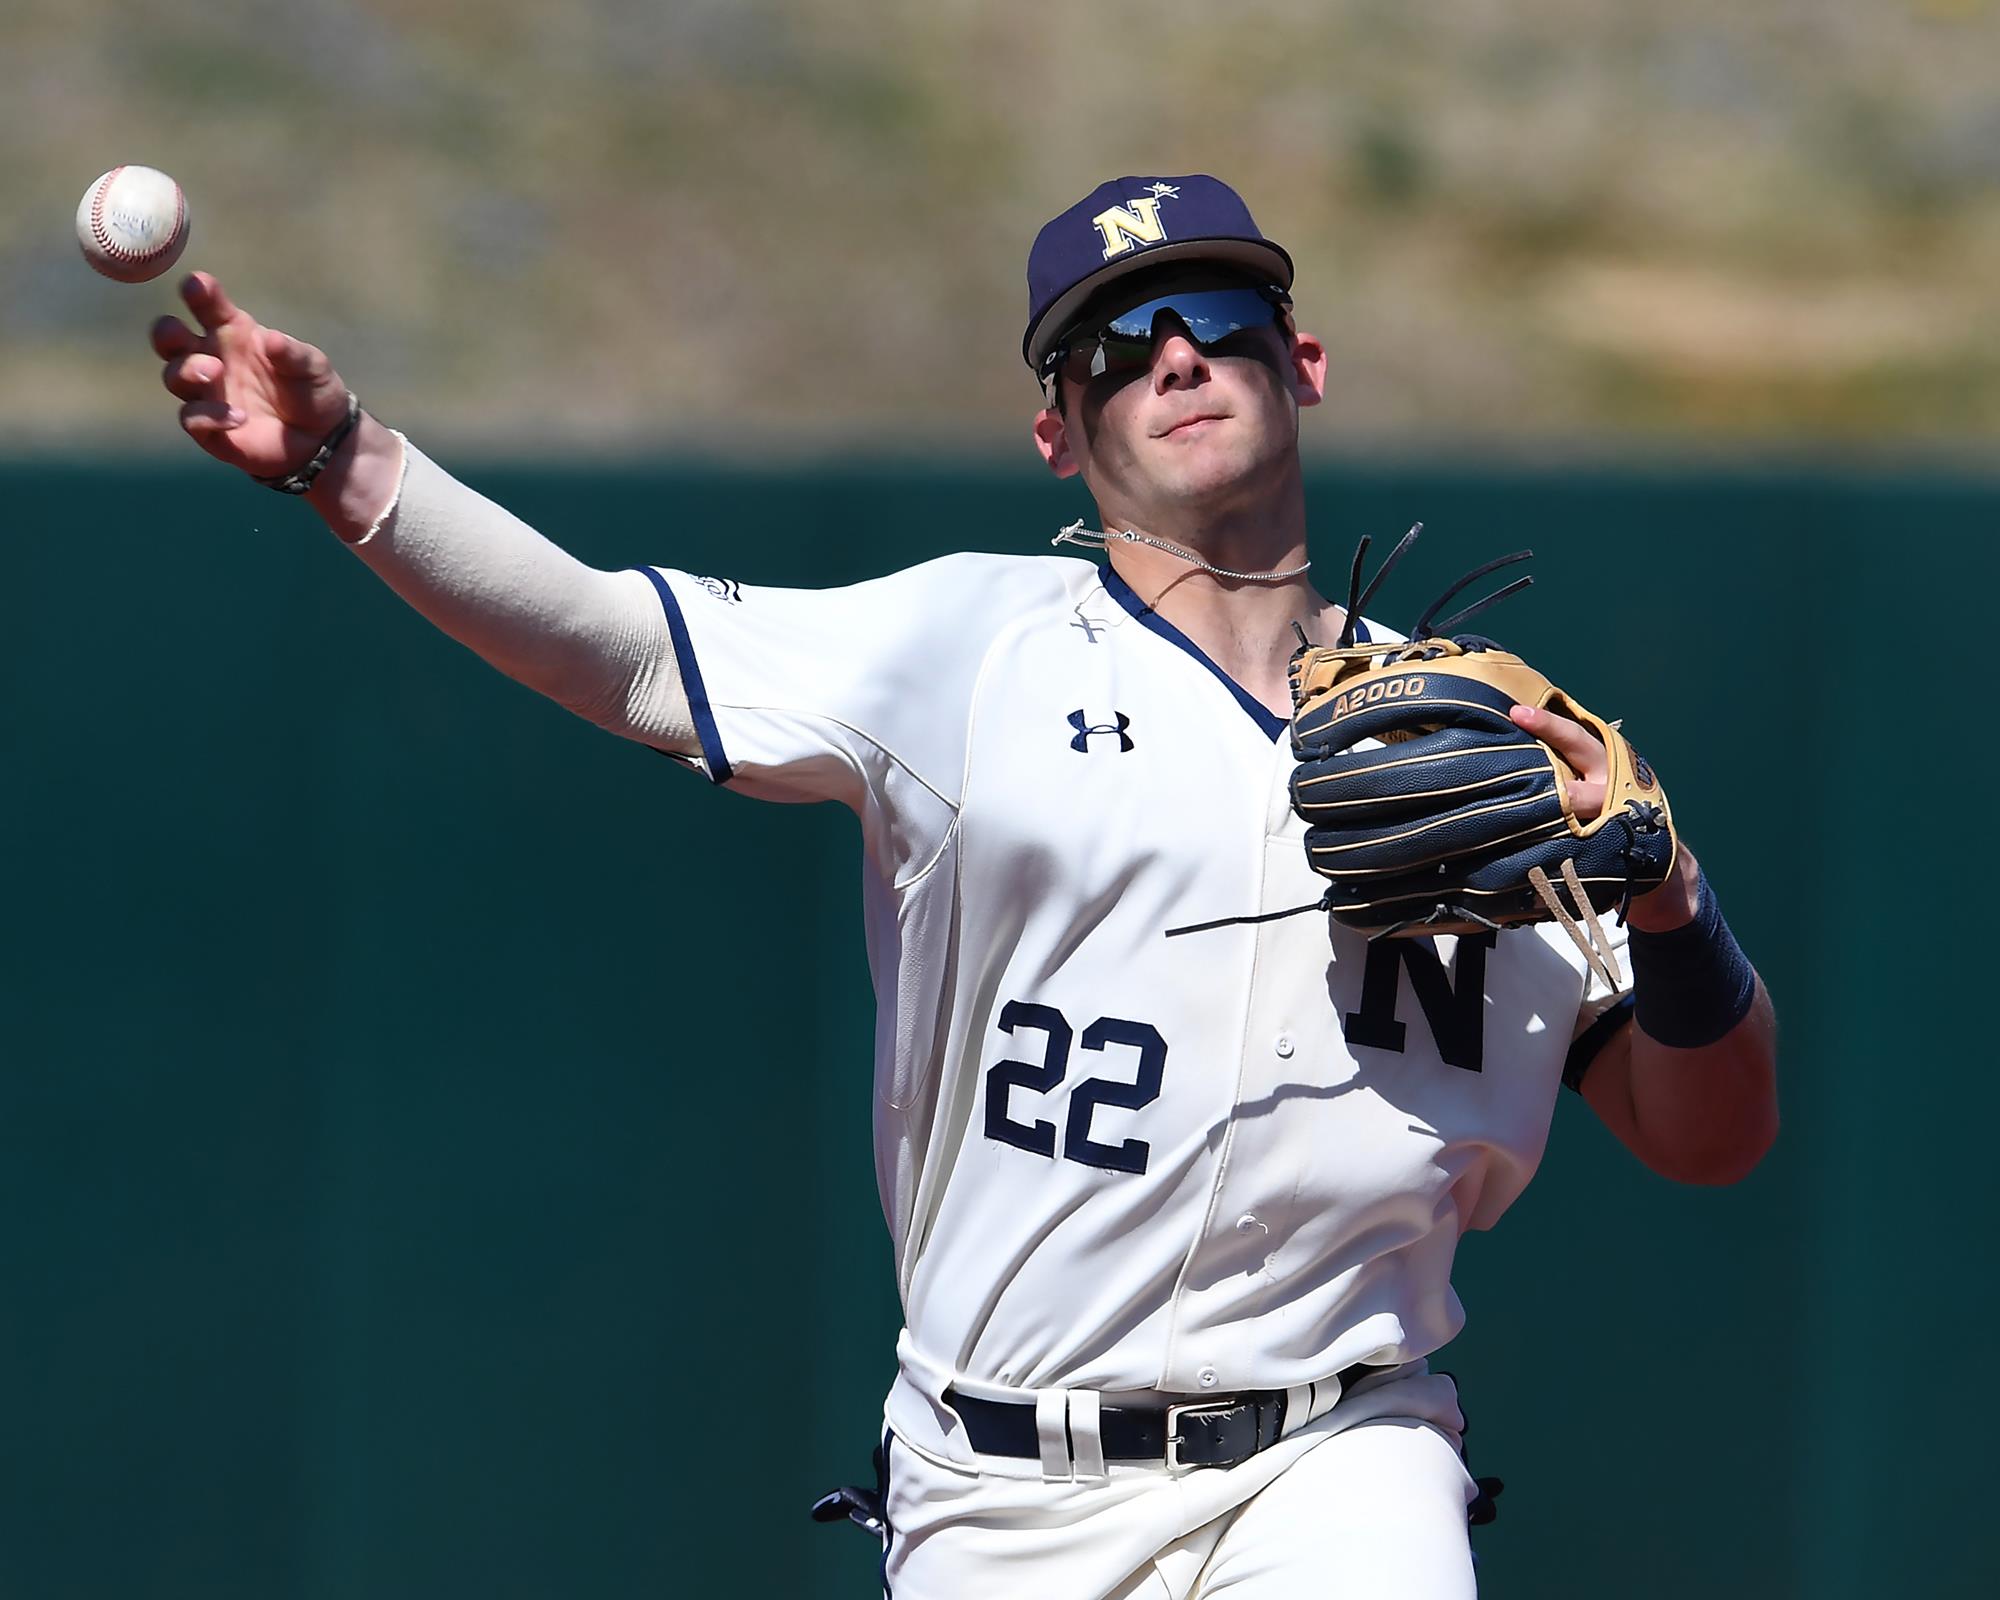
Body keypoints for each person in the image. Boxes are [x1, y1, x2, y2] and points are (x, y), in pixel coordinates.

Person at [147, 174, 1778, 1598]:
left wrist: (1672, 905)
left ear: (1308, 363)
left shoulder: (1492, 742)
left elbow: (1714, 1138)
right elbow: (620, 646)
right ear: (1058, 432)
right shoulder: (966, 649)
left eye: (1214, 313)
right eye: (1115, 349)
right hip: (1004, 1487)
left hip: (1342, 1455)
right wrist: (350, 467)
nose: (1176, 359)